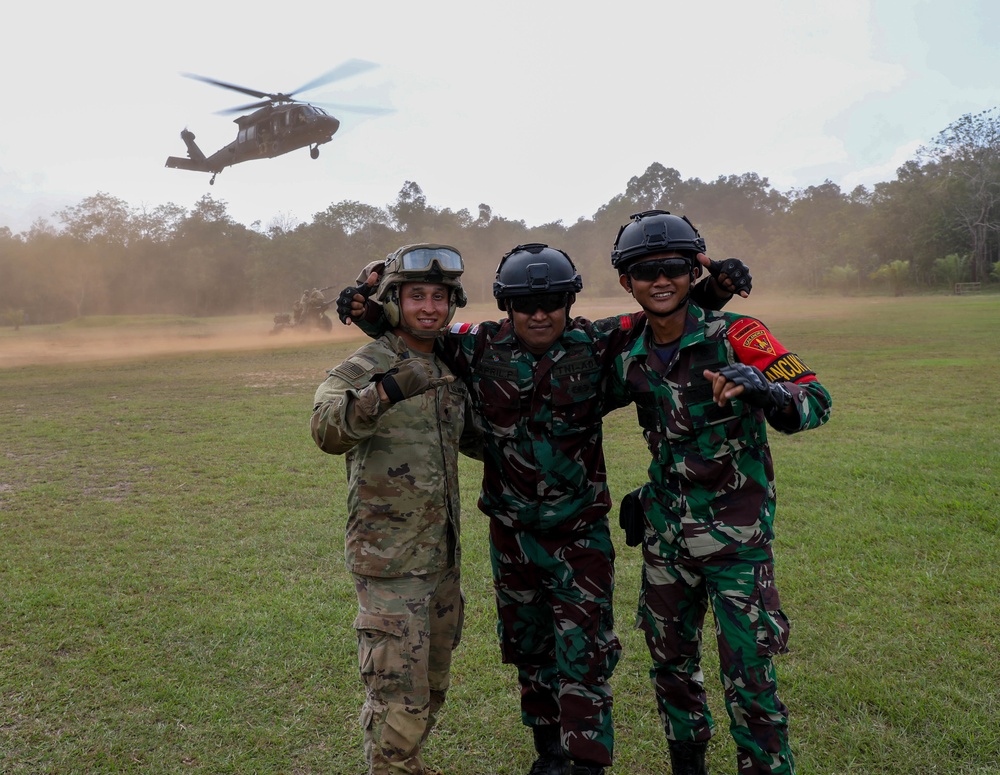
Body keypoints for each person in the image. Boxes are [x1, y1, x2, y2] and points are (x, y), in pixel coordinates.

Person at [341, 241, 751, 775]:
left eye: (552, 302)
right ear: (504, 306)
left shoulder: (599, 342)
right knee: (530, 651)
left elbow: (665, 313)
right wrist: (368, 311)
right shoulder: (476, 348)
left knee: (585, 654)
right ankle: (549, 753)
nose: (539, 314)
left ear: (570, 301)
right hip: (512, 536)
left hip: (579, 535)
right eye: (525, 304)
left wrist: (713, 290)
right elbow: (418, 335)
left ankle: (586, 762)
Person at [605, 211, 832, 775]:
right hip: (664, 537)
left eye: (675, 268)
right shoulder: (625, 345)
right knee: (671, 667)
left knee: (749, 675)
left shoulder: (737, 334)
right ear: (626, 281)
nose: (661, 280)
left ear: (691, 271)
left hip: (736, 541)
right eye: (645, 270)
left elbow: (816, 399)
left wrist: (769, 392)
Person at [310, 243, 475, 775]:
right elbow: (326, 428)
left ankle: (407, 766)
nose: (429, 307)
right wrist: (384, 392)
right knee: (396, 699)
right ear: (395, 300)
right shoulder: (367, 364)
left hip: (441, 559)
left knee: (431, 686)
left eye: (439, 297)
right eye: (416, 296)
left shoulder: (448, 366)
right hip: (388, 564)